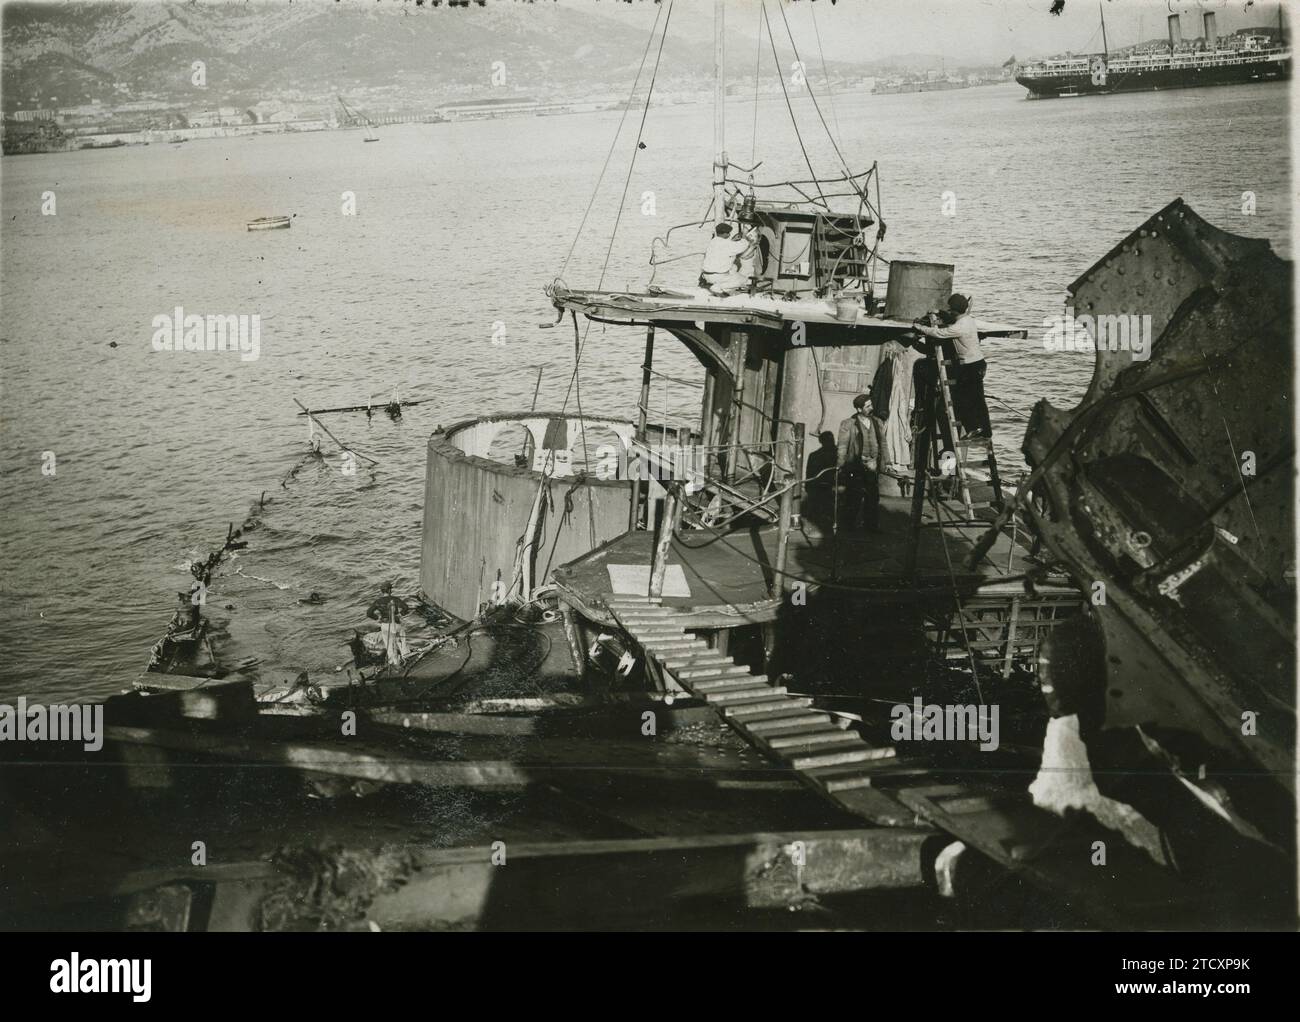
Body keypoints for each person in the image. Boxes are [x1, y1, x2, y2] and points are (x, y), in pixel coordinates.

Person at [913, 293, 992, 439]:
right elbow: (952, 319)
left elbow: (939, 333)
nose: (949, 311)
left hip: (970, 367)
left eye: (950, 309)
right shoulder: (968, 319)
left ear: (955, 310)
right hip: (977, 364)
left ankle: (975, 429)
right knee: (977, 399)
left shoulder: (959, 327)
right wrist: (940, 312)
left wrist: (920, 328)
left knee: (964, 399)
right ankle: (983, 430)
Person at [836, 394, 881, 532]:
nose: (871, 408)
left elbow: (883, 443)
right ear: (858, 409)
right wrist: (840, 465)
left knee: (873, 497)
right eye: (867, 406)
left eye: (871, 405)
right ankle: (848, 527)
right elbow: (842, 447)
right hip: (856, 464)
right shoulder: (848, 424)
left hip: (872, 465)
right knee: (854, 496)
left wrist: (887, 462)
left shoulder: (876, 422)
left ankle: (870, 527)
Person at [699, 222, 754, 292]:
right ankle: (718, 287)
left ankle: (716, 284)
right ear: (724, 233)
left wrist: (733, 240)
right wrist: (745, 238)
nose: (729, 234)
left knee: (734, 267)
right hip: (717, 276)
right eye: (728, 233)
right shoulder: (726, 244)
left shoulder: (713, 241)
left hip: (706, 275)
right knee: (744, 280)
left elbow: (725, 247)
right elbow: (742, 246)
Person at [366, 581, 411, 666]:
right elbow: (406, 607)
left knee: (389, 646)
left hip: (385, 626)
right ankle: (407, 659)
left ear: (382, 591)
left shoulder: (378, 601)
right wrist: (400, 614)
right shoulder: (395, 599)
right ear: (390, 590)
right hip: (396, 625)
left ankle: (394, 663)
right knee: (402, 643)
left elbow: (369, 613)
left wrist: (377, 618)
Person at [803, 430, 839, 531]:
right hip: (826, 485)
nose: (830, 442)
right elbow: (809, 474)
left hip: (825, 485)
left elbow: (809, 475)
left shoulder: (814, 455)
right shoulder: (816, 455)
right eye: (829, 440)